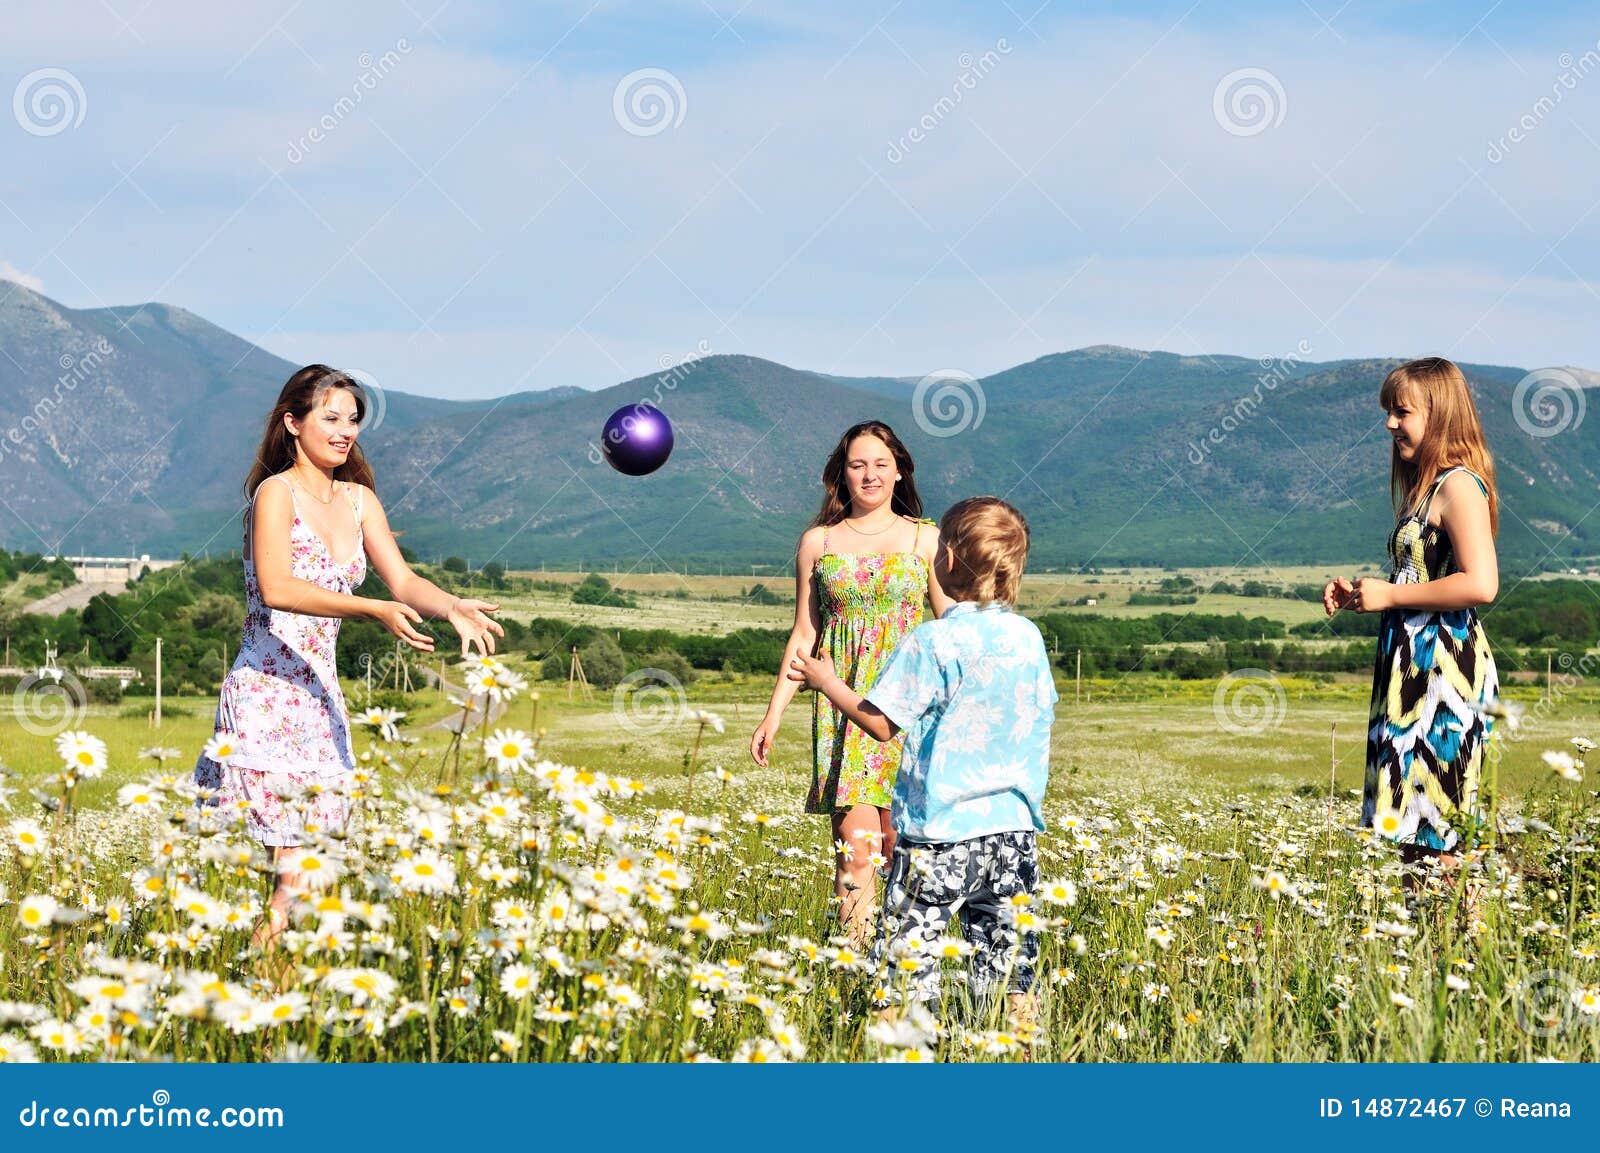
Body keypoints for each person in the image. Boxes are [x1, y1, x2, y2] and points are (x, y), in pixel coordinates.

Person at [194, 365, 504, 951]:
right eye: (330, 418)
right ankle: (265, 994)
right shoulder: (274, 494)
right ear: (293, 423)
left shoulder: (360, 501)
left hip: (321, 697)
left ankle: (270, 989)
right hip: (267, 693)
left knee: (310, 869)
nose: (344, 431)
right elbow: (279, 587)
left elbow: (405, 581)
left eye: (353, 420)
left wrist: (451, 605)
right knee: (291, 867)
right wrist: (372, 610)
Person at [788, 496, 1056, 1033]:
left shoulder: (933, 639)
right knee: (1010, 967)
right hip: (1014, 833)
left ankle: (895, 1049)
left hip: (939, 834)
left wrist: (826, 682)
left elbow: (884, 724)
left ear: (949, 562)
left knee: (907, 964)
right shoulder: (1028, 636)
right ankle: (1020, 1050)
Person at [750, 421, 951, 945]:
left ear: (900, 469)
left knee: (907, 845)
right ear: (842, 473)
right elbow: (803, 634)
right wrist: (773, 715)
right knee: (856, 847)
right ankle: (855, 967)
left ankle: (910, 962)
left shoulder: (924, 538)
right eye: (858, 465)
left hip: (913, 707)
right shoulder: (818, 543)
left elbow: (952, 626)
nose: (870, 474)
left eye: (881, 464)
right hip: (844, 707)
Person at [1324, 357, 1500, 869]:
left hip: (1444, 681)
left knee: (1440, 840)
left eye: (1401, 412)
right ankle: (1428, 949)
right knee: (1413, 839)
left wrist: (1392, 597)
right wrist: (1364, 593)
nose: (1389, 423)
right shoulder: (1428, 486)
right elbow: (1419, 580)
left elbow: (1481, 583)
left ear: (1440, 414)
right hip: (1414, 678)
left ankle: (1458, 947)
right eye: (1389, 411)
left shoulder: (1458, 486)